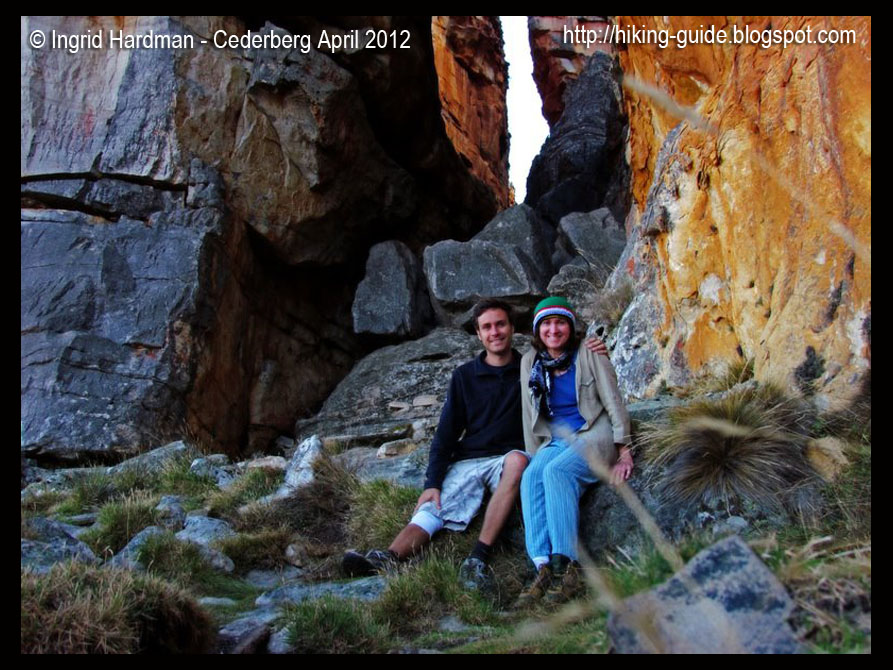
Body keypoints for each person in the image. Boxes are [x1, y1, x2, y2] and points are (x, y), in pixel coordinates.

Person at [342, 298, 609, 593]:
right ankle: (387, 558)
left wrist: (592, 349)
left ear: (511, 329)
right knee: (433, 508)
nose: (495, 332)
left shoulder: (530, 368)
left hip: (511, 457)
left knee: (518, 462)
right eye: (487, 327)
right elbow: (445, 434)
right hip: (469, 459)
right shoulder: (464, 376)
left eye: (500, 324)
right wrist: (433, 482)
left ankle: (477, 559)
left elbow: (566, 360)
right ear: (479, 335)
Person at [515, 296, 633, 607]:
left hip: (595, 431)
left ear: (571, 326)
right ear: (538, 330)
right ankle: (542, 566)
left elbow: (613, 400)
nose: (553, 329)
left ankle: (566, 568)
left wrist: (624, 450)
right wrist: (535, 455)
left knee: (558, 472)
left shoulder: (590, 352)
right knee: (531, 477)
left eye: (560, 322)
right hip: (557, 438)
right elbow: (531, 416)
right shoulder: (530, 361)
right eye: (547, 324)